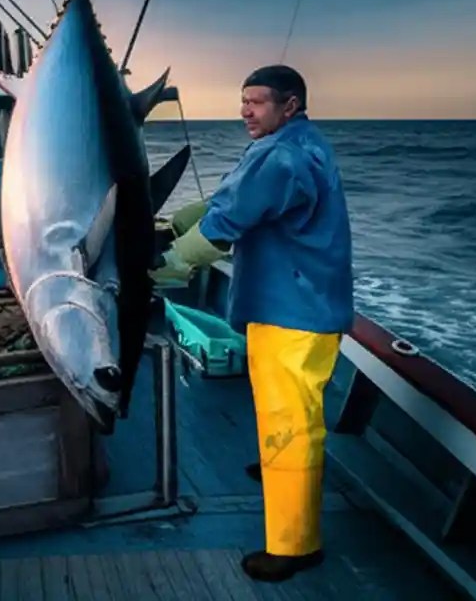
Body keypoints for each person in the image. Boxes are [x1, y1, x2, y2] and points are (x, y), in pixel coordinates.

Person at [150, 65, 354, 582]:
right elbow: (238, 196)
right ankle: (276, 470)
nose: (246, 111)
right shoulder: (296, 143)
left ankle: (294, 545)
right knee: (279, 408)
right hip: (293, 304)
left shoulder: (282, 155)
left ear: (290, 105)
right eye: (243, 101)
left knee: (292, 422)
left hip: (295, 311)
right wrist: (183, 217)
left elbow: (232, 216)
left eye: (259, 102)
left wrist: (175, 258)